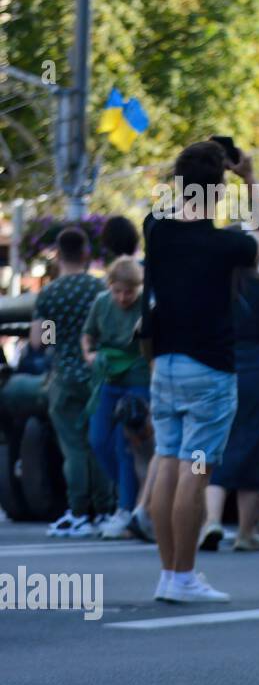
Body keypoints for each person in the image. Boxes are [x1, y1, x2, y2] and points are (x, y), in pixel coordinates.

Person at [143, 140, 259, 603]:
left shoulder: (155, 228)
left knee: (168, 462)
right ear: (218, 191)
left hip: (165, 366)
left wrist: (197, 170)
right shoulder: (227, 246)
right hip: (211, 370)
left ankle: (167, 573)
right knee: (194, 471)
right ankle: (184, 576)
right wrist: (251, 179)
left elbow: (176, 203)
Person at [200, 263, 259, 552]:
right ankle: (245, 532)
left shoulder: (211, 285)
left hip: (219, 367)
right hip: (258, 369)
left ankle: (212, 520)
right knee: (256, 447)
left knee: (218, 444)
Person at [32, 226, 113, 537]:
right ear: (86, 254)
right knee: (99, 444)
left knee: (74, 449)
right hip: (97, 375)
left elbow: (41, 341)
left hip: (64, 377)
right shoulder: (100, 290)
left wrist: (60, 337)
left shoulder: (50, 294)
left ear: (57, 255)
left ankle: (78, 511)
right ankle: (105, 509)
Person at [81, 257, 151, 539]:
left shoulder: (147, 303)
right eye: (118, 291)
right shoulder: (101, 302)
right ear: (110, 286)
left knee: (128, 446)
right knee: (98, 440)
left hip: (138, 378)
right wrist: (89, 354)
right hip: (108, 378)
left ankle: (126, 509)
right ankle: (126, 495)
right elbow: (88, 334)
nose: (123, 298)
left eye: (129, 292)